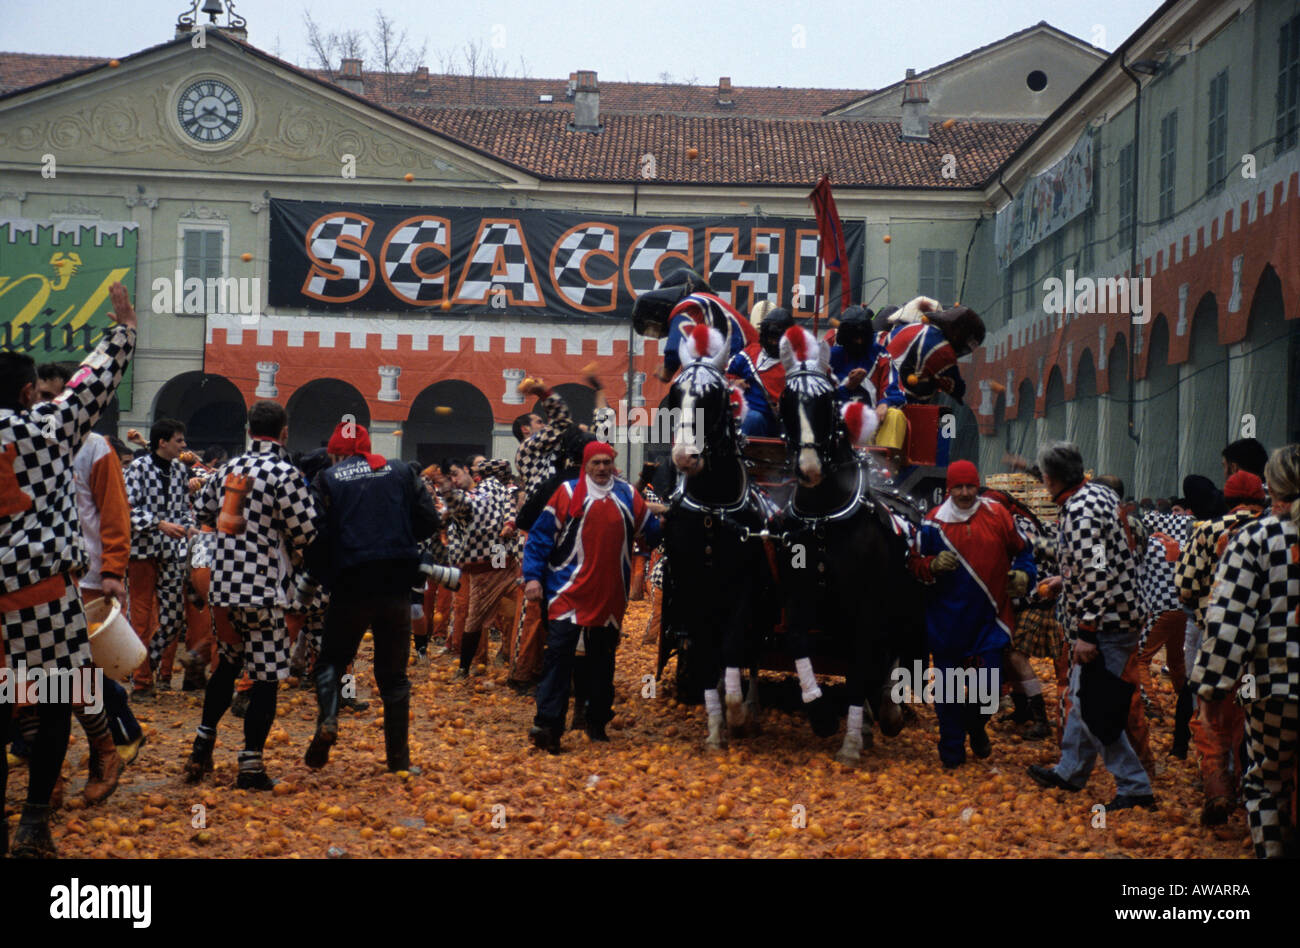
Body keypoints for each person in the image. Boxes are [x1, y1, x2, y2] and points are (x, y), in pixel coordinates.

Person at [0, 281, 136, 857]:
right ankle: (34, 824)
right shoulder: (49, 427)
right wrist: (123, 331)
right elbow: (92, 383)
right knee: (56, 700)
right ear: (30, 391)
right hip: (43, 596)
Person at [182, 401, 319, 789]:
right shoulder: (285, 472)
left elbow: (204, 513)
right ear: (284, 432)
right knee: (266, 677)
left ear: (248, 429)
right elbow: (307, 532)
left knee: (227, 664)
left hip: (224, 584)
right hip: (264, 589)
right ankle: (251, 765)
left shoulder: (226, 469)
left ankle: (202, 745)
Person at [303, 421, 438, 774]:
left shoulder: (328, 479)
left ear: (334, 453)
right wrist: (403, 535)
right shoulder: (400, 470)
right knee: (393, 676)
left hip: (350, 585)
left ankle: (329, 718)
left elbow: (315, 534)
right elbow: (429, 520)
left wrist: (322, 575)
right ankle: (399, 762)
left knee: (331, 660)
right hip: (396, 585)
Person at [1026, 442, 1155, 809]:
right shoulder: (1096, 493)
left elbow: (1097, 573)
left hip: (1107, 624)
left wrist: (1086, 633)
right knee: (1082, 697)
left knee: (1096, 706)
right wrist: (1063, 579)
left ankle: (1135, 787)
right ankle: (1070, 771)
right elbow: (1099, 559)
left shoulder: (1080, 512)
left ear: (1050, 480)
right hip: (1119, 613)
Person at [32, 363, 139, 797]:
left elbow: (114, 514)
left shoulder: (95, 448)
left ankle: (108, 745)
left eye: (58, 399)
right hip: (27, 578)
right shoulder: (20, 443)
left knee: (76, 676)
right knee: (25, 676)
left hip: (86, 578)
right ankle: (49, 766)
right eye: (41, 397)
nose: (50, 406)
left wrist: (113, 570)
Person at [1190, 445, 1300, 858]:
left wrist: (1213, 689)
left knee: (1267, 781)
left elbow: (1229, 623)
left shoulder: (1256, 539)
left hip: (1274, 688)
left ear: (1271, 486)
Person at [523, 441, 661, 751]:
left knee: (602, 661)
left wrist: (676, 522)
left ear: (613, 464)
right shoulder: (568, 493)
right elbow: (540, 537)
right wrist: (532, 577)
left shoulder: (628, 495)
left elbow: (652, 531)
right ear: (586, 465)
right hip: (566, 591)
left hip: (610, 595)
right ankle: (548, 726)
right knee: (558, 656)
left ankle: (597, 722)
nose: (601, 468)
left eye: (606, 462)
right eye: (596, 462)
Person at [909, 461, 1036, 767]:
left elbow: (1024, 551)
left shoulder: (998, 515)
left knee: (989, 692)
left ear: (977, 486)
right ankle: (951, 754)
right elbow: (913, 565)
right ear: (949, 489)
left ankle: (975, 726)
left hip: (988, 621)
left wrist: (1022, 575)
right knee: (949, 695)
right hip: (946, 623)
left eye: (970, 486)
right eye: (958, 487)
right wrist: (931, 566)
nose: (965, 493)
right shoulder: (932, 524)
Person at [1174, 469, 1269, 824]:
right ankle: (1253, 791)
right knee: (1252, 716)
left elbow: (1183, 584)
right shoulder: (1279, 529)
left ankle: (1218, 786)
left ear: (1226, 499)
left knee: (1212, 714)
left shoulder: (1207, 531)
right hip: (1264, 650)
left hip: (1218, 639)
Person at [123, 417, 195, 695]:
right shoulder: (138, 468)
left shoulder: (178, 470)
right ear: (162, 442)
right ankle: (141, 682)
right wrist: (159, 524)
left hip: (171, 551)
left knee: (174, 617)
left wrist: (188, 528)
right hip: (141, 551)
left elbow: (181, 510)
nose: (183, 445)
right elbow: (126, 508)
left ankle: (144, 665)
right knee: (140, 617)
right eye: (178, 440)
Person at [435, 457, 517, 680]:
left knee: (517, 613)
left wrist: (509, 524)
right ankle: (467, 665)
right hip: (478, 572)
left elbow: (508, 504)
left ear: (466, 470)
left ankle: (514, 661)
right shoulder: (458, 501)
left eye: (455, 474)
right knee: (473, 620)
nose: (454, 480)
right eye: (449, 479)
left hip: (505, 563)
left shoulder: (492, 486)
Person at [828, 305, 907, 451]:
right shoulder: (830, 358)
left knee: (895, 415)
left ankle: (883, 467)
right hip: (835, 428)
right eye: (854, 338)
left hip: (873, 427)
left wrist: (885, 403)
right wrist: (847, 388)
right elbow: (821, 398)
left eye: (862, 337)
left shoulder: (879, 354)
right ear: (845, 336)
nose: (859, 342)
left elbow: (896, 392)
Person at [726, 304, 792, 437]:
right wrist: (734, 383)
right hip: (755, 420)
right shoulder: (748, 354)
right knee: (754, 418)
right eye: (771, 338)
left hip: (785, 421)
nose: (774, 343)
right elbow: (724, 379)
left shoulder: (797, 361)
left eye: (777, 339)